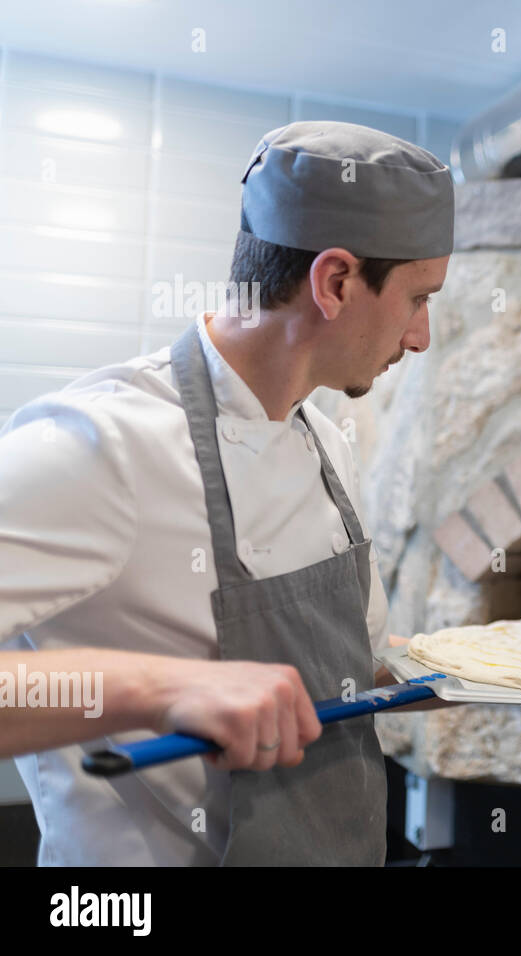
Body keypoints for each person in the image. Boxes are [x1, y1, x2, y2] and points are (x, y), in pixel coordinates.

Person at [0, 121, 455, 865]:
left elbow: (336, 664)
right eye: (417, 299)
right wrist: (156, 689)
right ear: (336, 282)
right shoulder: (98, 445)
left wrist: (449, 668)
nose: (421, 337)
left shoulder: (326, 445)